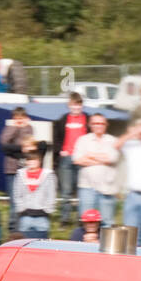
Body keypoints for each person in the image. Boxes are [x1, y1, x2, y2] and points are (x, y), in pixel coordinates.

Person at [72, 113, 120, 227]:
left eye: (101, 123)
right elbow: (77, 160)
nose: (99, 126)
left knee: (107, 223)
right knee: (85, 222)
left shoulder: (113, 140)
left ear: (106, 125)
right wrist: (102, 158)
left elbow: (113, 158)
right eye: (95, 123)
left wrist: (89, 155)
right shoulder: (83, 140)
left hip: (107, 187)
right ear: (90, 125)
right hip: (87, 187)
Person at [52, 93, 88, 227]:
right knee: (66, 191)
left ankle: (81, 219)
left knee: (81, 190)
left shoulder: (87, 119)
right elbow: (56, 137)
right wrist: (60, 151)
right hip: (66, 158)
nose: (76, 107)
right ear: (69, 105)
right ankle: (65, 219)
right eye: (74, 104)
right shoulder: (63, 120)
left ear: (82, 105)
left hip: (82, 158)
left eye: (78, 104)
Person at [0, 106, 34, 230]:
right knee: (13, 201)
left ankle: (22, 227)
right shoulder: (10, 128)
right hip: (11, 169)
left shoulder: (28, 128)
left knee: (24, 199)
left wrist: (23, 127)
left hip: (24, 169)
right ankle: (12, 227)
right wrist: (14, 127)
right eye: (17, 118)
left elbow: (28, 144)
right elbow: (4, 141)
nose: (19, 121)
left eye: (21, 118)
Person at [13, 151, 58, 240]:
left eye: (34, 160)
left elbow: (51, 194)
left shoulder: (48, 175)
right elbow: (17, 193)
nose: (31, 162)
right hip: (25, 215)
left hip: (42, 216)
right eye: (29, 160)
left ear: (39, 161)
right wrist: (21, 208)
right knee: (24, 242)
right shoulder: (20, 174)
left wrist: (48, 209)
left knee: (42, 243)